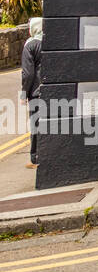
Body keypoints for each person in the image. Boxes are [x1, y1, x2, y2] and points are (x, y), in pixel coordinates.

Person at [19, 17, 42, 169]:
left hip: (35, 92)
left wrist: (23, 94)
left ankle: (35, 157)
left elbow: (27, 74)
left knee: (36, 125)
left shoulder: (31, 45)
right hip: (52, 90)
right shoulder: (52, 42)